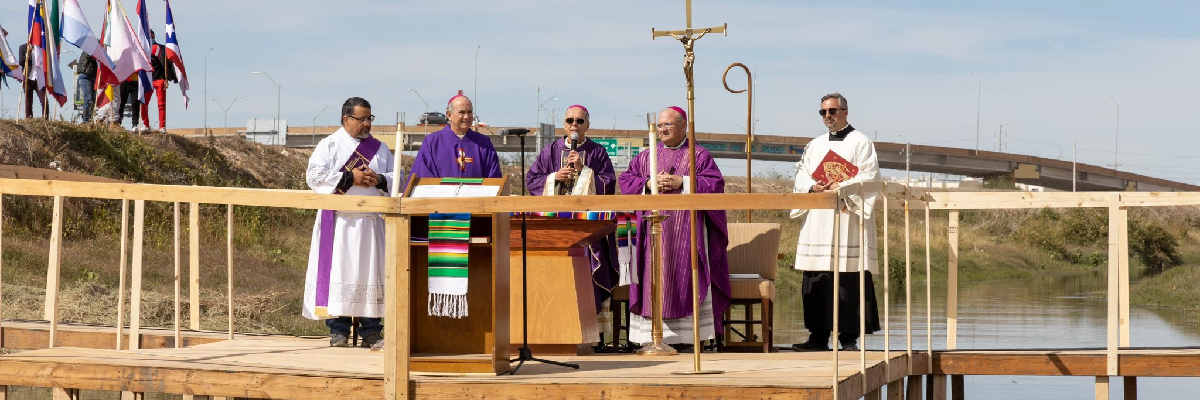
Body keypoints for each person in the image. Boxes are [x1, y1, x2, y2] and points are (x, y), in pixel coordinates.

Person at [617, 106, 730, 349]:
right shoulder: (646, 157)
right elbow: (625, 180)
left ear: (683, 125)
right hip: (651, 234)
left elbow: (715, 185)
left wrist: (682, 182)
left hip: (686, 235)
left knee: (686, 276)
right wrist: (649, 183)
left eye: (668, 124)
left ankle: (686, 339)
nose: (662, 129)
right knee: (651, 276)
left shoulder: (699, 156)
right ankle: (650, 337)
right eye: (660, 125)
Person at [302, 97, 397, 349]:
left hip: (370, 224)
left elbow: (397, 177)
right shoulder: (329, 145)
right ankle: (339, 330)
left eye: (369, 118)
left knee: (370, 274)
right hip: (338, 221)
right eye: (362, 119)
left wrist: (379, 179)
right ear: (346, 119)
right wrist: (349, 178)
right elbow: (314, 177)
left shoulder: (380, 148)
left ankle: (372, 331)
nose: (367, 124)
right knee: (339, 272)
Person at [790, 92, 882, 352]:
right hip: (819, 219)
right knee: (817, 275)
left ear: (845, 112)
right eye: (823, 112)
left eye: (832, 111)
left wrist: (841, 187)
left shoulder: (861, 142)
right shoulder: (815, 144)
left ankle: (849, 338)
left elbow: (870, 177)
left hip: (847, 217)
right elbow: (801, 173)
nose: (827, 116)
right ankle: (817, 337)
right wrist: (813, 186)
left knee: (849, 278)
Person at [525, 104, 619, 317]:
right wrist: (553, 178)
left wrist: (584, 171)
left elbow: (608, 185)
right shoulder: (550, 151)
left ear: (587, 125)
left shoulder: (598, 152)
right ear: (564, 125)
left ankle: (591, 325)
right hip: (556, 228)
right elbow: (531, 180)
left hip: (588, 230)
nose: (574, 124)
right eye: (570, 121)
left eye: (579, 121)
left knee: (588, 278)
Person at [411, 94, 501, 178]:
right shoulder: (432, 143)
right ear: (449, 115)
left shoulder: (484, 144)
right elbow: (422, 178)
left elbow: (494, 180)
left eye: (469, 112)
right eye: (462, 112)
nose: (466, 117)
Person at [141, 30, 176, 131]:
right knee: (143, 103)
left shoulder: (160, 48)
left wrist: (166, 79)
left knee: (161, 104)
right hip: (148, 80)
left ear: (154, 36)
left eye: (152, 36)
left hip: (160, 79)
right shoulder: (142, 50)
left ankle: (162, 126)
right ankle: (146, 125)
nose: (150, 38)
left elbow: (166, 65)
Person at [18, 43, 48, 119]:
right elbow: (21, 62)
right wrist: (28, 55)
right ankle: (29, 119)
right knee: (28, 102)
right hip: (28, 78)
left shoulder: (41, 48)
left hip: (39, 78)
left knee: (44, 101)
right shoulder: (23, 47)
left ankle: (45, 119)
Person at [75, 53, 98, 123]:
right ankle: (86, 119)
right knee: (88, 98)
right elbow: (90, 56)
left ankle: (89, 118)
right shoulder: (89, 49)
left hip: (92, 77)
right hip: (85, 75)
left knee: (93, 100)